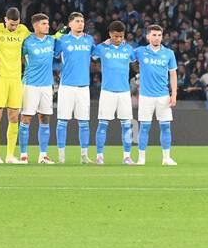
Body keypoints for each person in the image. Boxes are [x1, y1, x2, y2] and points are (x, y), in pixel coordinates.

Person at [0, 8, 31, 163]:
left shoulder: (23, 30)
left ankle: (10, 155)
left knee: (13, 116)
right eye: (12, 25)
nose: (14, 28)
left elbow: (34, 40)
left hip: (16, 78)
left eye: (16, 24)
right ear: (5, 20)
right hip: (0, 77)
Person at [92, 21, 138, 165]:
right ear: (110, 34)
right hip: (107, 92)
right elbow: (92, 56)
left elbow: (135, 62)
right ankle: (100, 155)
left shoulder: (129, 49)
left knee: (127, 125)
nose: (119, 39)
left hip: (124, 92)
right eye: (116, 36)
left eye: (121, 36)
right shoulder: (101, 48)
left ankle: (127, 156)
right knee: (103, 124)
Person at [54, 12, 96, 164]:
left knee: (84, 123)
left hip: (84, 86)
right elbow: (53, 54)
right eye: (77, 21)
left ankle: (84, 156)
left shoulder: (89, 40)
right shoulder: (62, 40)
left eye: (82, 21)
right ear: (70, 23)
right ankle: (61, 157)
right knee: (62, 122)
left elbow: (97, 55)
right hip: (66, 86)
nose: (81, 24)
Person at [135, 23, 179, 166]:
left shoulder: (168, 53)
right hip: (146, 96)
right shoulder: (140, 51)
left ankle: (166, 158)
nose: (157, 38)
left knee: (165, 126)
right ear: (148, 36)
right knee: (144, 127)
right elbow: (124, 54)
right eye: (154, 35)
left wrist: (174, 94)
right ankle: (141, 158)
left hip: (163, 95)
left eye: (159, 35)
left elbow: (173, 74)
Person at [18, 13, 57, 164]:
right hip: (30, 84)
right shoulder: (27, 42)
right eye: (44, 24)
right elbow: (19, 57)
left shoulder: (52, 41)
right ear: (35, 26)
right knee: (26, 118)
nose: (47, 26)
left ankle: (43, 155)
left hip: (47, 85)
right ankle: (23, 155)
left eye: (48, 23)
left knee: (45, 118)